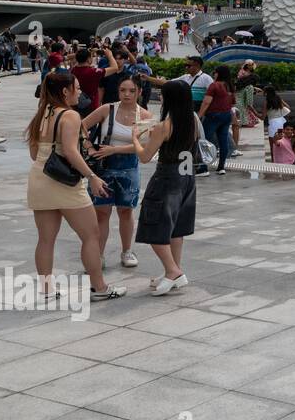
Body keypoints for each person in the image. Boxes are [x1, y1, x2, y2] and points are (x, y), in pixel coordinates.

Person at [25, 71, 126, 300]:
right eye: (77, 88)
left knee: (45, 240)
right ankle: (99, 288)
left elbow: (34, 154)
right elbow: (71, 151)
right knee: (91, 235)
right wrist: (91, 176)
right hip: (66, 184)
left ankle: (46, 291)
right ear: (65, 91)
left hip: (40, 179)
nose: (80, 92)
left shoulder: (41, 114)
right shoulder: (69, 115)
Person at [131, 79, 200, 295]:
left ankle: (173, 272)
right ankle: (172, 270)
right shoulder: (193, 121)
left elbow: (145, 157)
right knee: (176, 227)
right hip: (187, 178)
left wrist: (135, 139)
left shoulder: (164, 127)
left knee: (153, 227)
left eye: (163, 94)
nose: (160, 97)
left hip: (167, 179)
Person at [82, 76, 152, 269]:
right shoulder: (107, 109)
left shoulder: (145, 115)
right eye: (122, 90)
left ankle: (127, 250)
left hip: (129, 166)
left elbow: (145, 146)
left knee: (126, 211)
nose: (126, 94)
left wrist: (115, 150)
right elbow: (80, 127)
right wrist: (89, 147)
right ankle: (99, 253)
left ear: (139, 92)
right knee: (102, 212)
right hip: (103, 166)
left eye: (131, 91)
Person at [198, 63, 235, 175]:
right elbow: (232, 102)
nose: (214, 75)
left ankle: (203, 168)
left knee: (204, 141)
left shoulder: (214, 85)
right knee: (223, 141)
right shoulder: (230, 86)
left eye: (215, 73)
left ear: (218, 74)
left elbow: (206, 102)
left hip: (213, 115)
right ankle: (221, 167)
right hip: (227, 115)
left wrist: (199, 116)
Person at [263, 86, 290, 160]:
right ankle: (282, 159)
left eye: (264, 92)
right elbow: (287, 106)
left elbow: (262, 117)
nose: (263, 93)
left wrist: (252, 110)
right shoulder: (278, 98)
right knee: (281, 141)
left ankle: (274, 161)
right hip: (281, 122)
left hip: (272, 123)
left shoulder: (267, 102)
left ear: (267, 93)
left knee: (272, 144)